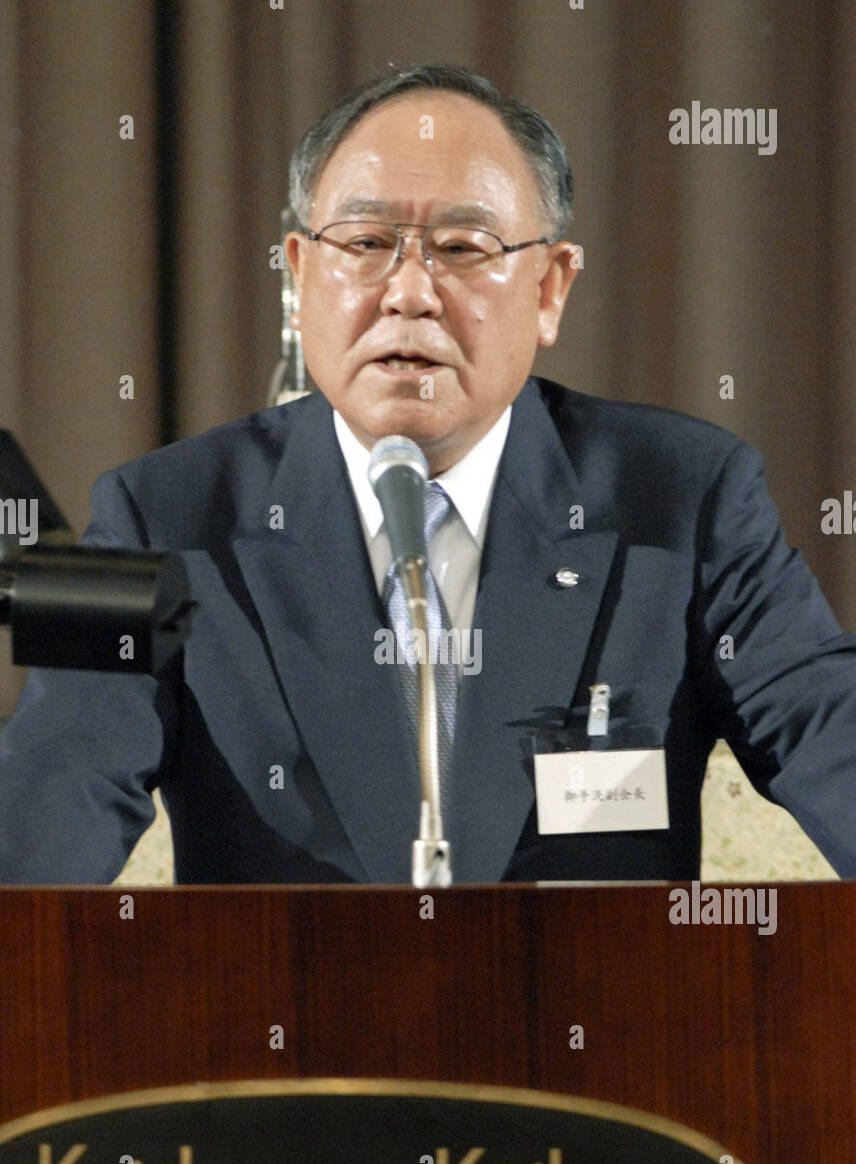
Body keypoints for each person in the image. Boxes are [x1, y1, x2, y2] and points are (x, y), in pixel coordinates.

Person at [1, 63, 854, 885]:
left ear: (551, 288)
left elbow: (828, 727)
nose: (410, 291)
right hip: (281, 1023)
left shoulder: (689, 497)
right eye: (367, 243)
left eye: (461, 245)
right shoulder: (150, 512)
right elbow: (45, 797)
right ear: (298, 276)